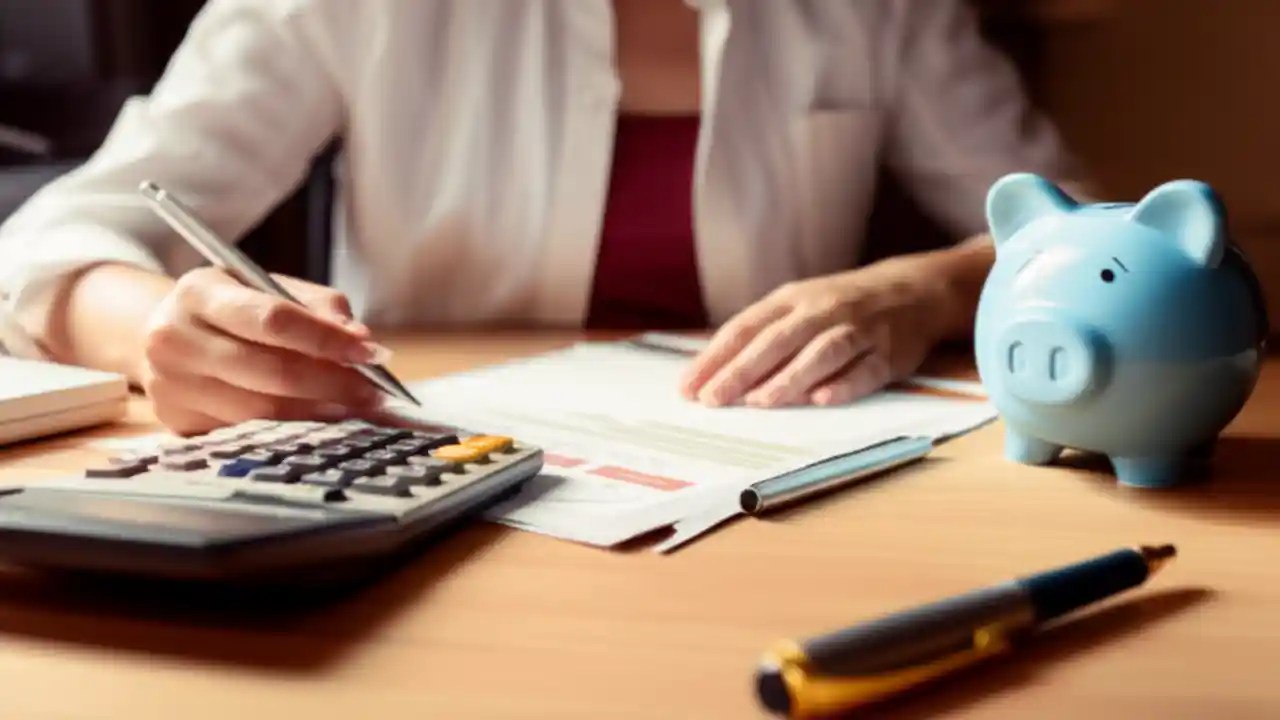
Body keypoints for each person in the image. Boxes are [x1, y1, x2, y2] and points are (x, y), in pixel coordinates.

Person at [0, 0, 1081, 435]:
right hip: (423, 486)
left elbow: (1081, 241)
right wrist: (158, 331)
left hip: (763, 490)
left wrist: (925, 287)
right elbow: (57, 237)